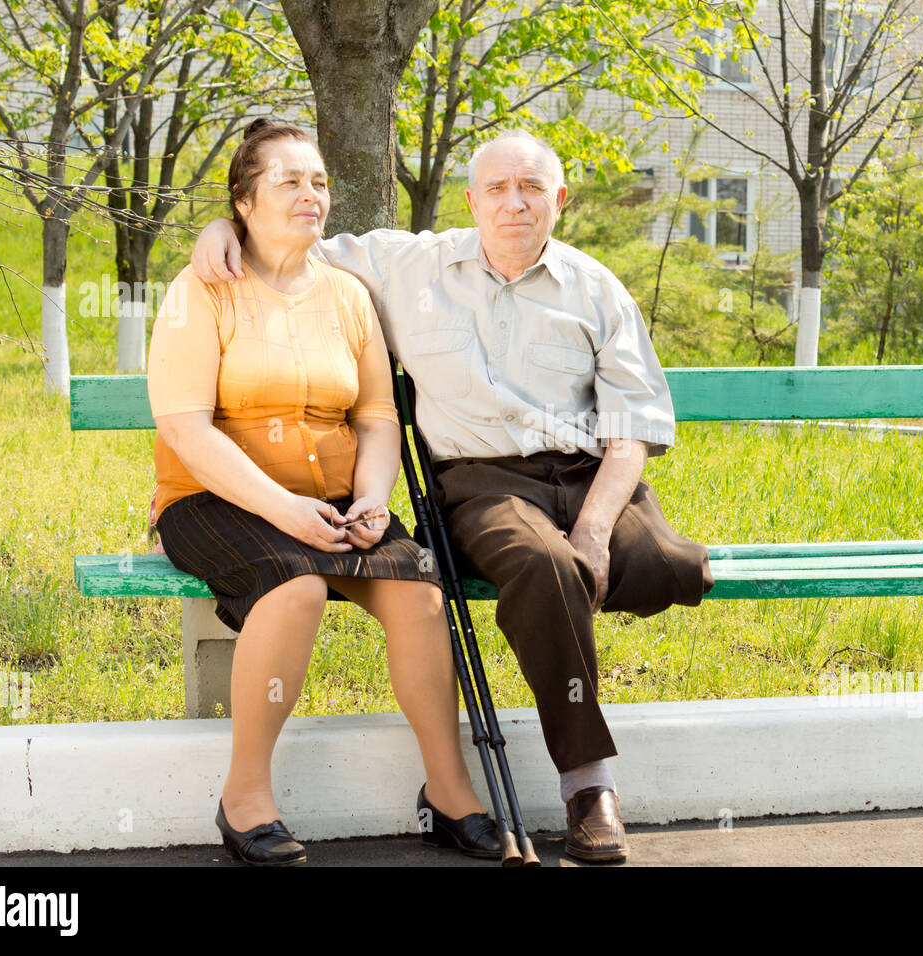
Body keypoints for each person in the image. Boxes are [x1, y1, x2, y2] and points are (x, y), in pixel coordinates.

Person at [191, 128, 714, 863]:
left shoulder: (597, 288)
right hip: (483, 485)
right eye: (496, 189)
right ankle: (590, 787)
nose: (514, 204)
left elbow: (633, 428)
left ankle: (588, 569)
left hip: (592, 480)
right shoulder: (412, 265)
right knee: (546, 570)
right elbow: (291, 236)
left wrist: (595, 527)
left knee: (669, 565)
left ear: (558, 201)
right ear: (471, 201)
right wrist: (222, 223)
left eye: (532, 188)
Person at [149, 118, 498, 865]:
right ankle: (245, 798)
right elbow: (185, 427)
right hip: (215, 498)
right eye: (288, 181)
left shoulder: (347, 294)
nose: (311, 194)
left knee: (419, 591)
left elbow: (375, 416)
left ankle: (449, 791)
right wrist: (285, 512)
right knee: (296, 586)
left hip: (336, 497)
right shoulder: (201, 287)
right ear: (243, 203)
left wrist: (372, 497)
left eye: (319, 181)